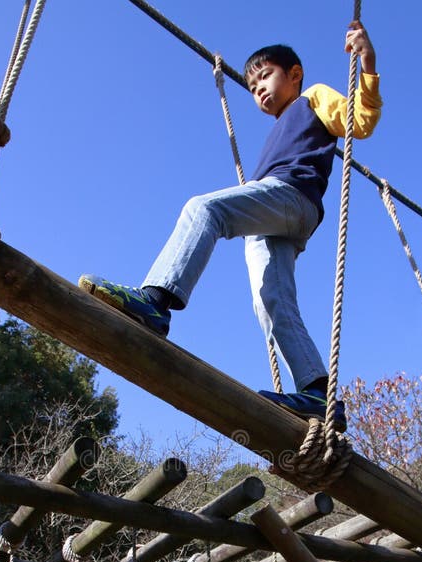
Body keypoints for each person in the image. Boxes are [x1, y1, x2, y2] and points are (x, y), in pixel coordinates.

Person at [79, 21, 381, 432]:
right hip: (276, 215)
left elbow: (359, 121)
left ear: (294, 74)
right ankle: (316, 390)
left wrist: (366, 61)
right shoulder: (281, 128)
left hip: (291, 197)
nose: (258, 90)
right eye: (252, 86)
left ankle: (155, 300)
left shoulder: (313, 98)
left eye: (265, 77)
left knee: (204, 210)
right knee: (270, 299)